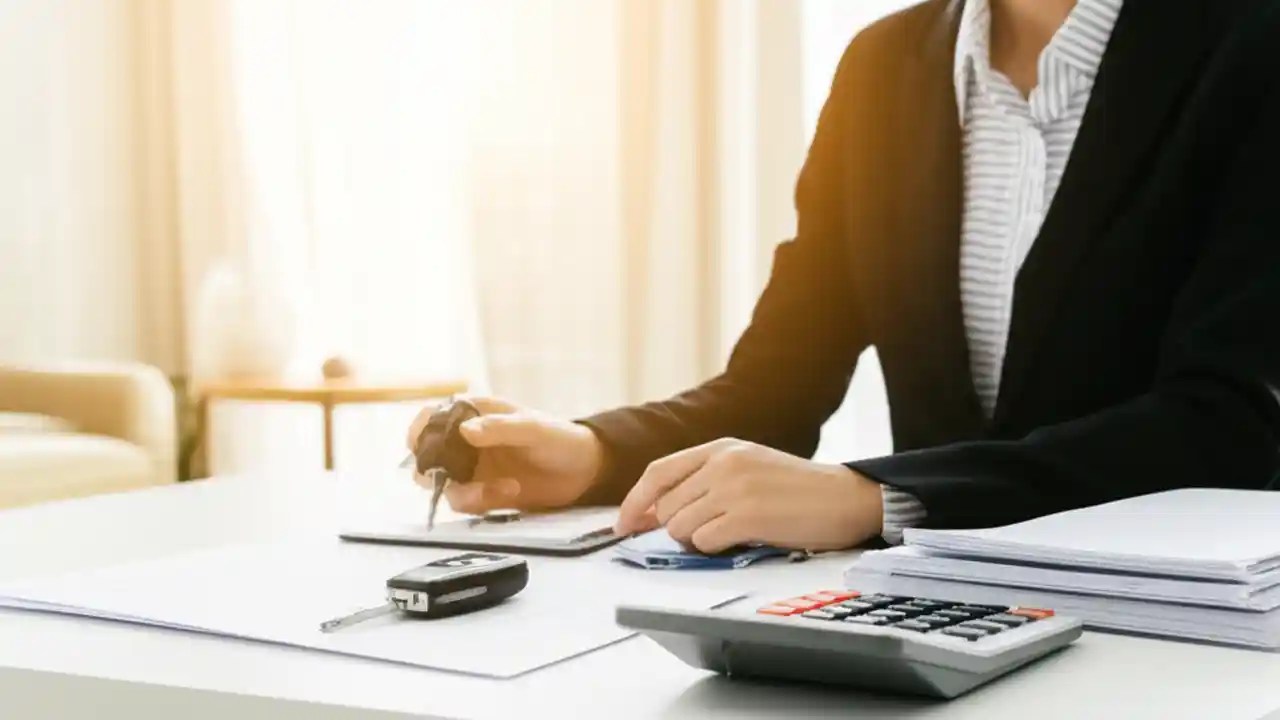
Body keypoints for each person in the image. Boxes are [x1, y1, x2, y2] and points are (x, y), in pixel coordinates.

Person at [408, 0, 1280, 553]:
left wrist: (878, 498)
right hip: (936, 624)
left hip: (1173, 627)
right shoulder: (883, 68)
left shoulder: (1253, 46)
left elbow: (1230, 425)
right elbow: (775, 390)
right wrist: (593, 453)